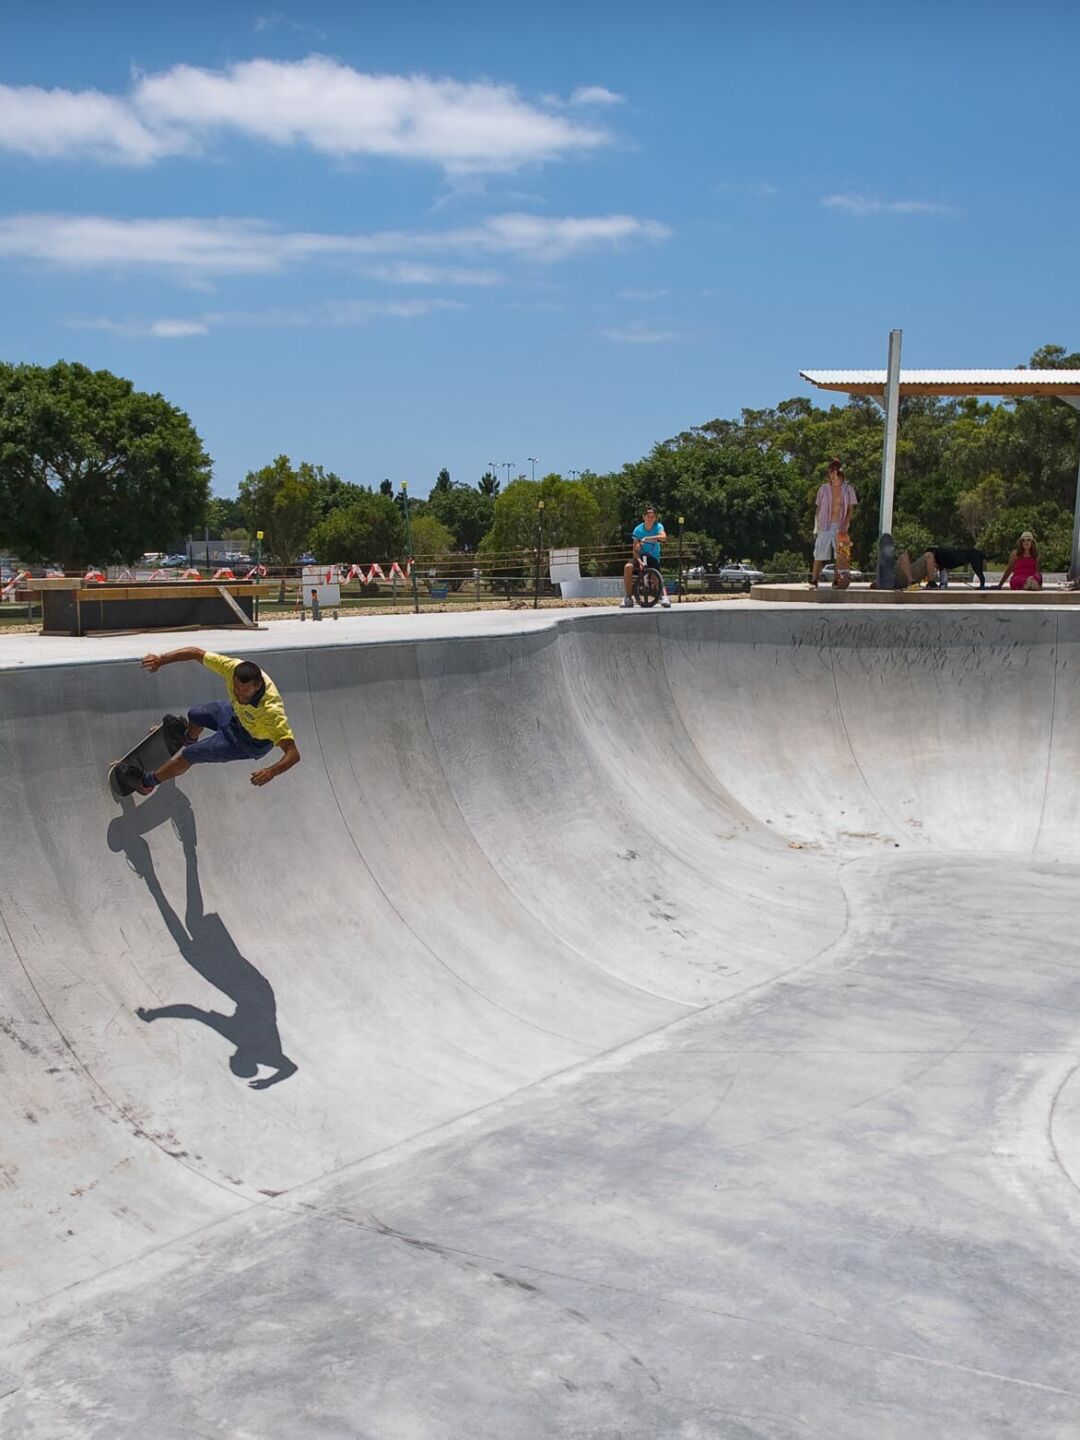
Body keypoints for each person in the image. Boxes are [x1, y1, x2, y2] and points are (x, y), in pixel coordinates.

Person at [125, 646, 300, 795]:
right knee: (195, 714)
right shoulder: (232, 668)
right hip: (233, 716)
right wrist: (161, 660)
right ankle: (189, 739)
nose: (239, 695)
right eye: (236, 688)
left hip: (246, 743)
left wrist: (272, 771)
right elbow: (195, 653)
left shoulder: (271, 712)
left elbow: (293, 754)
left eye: (245, 691)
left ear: (258, 686)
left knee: (189, 755)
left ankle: (146, 783)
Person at [811, 459, 858, 588]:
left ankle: (837, 580)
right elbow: (818, 507)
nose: (832, 475)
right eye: (830, 472)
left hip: (840, 525)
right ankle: (814, 579)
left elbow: (851, 508)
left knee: (840, 554)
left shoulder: (848, 489)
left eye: (835, 472)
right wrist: (817, 525)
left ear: (841, 474)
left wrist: (846, 523)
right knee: (819, 552)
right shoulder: (823, 489)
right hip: (825, 524)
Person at [622, 503, 672, 608]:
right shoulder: (638, 530)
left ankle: (664, 597)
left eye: (652, 517)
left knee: (656, 574)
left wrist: (649, 538)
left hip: (652, 557)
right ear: (644, 517)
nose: (650, 519)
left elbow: (664, 537)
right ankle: (628, 597)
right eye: (648, 517)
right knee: (628, 567)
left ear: (655, 518)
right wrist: (639, 561)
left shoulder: (658, 526)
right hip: (640, 556)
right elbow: (635, 550)